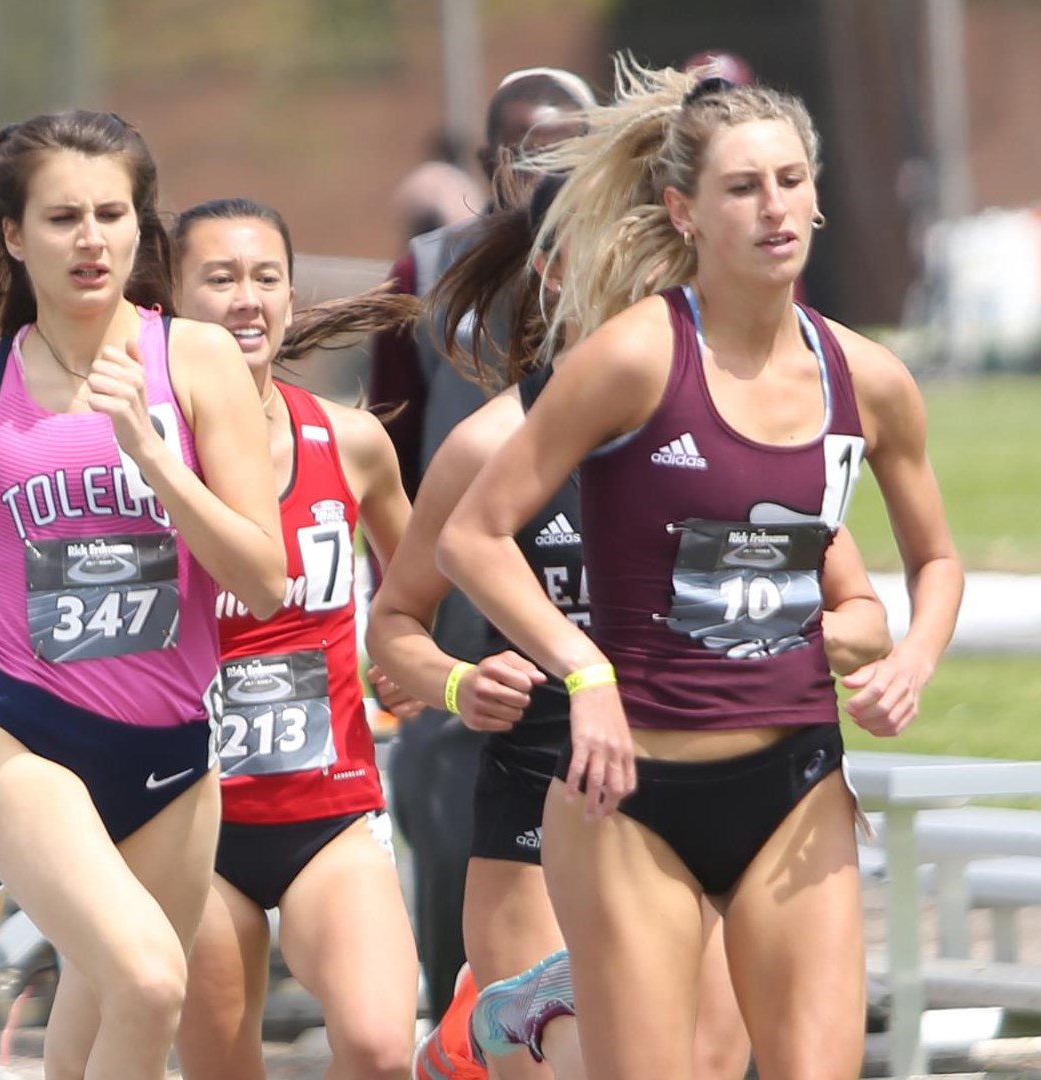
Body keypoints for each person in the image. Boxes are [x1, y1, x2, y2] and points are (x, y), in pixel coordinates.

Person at [435, 60, 963, 1080]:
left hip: (795, 782)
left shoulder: (870, 379)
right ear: (684, 211)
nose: (775, 207)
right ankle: (536, 1014)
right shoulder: (634, 359)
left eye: (792, 180)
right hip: (630, 793)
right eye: (742, 187)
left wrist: (914, 658)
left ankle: (548, 1006)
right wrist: (583, 673)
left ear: (817, 196)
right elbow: (473, 536)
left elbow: (935, 557)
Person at [371, 173, 893, 1080]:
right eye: (618, 240)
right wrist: (457, 683)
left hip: (706, 776)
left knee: (710, 1062)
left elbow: (859, 610)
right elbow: (394, 626)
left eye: (658, 238)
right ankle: (491, 1026)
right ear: (553, 268)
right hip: (547, 792)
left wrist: (818, 640)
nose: (648, 262)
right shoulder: (490, 444)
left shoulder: (730, 426)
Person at [0, 110, 286, 1080]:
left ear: (142, 227)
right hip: (27, 739)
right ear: (16, 237)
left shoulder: (196, 360)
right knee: (149, 981)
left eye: (112, 214)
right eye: (63, 218)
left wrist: (156, 457)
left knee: (96, 1033)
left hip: (174, 759)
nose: (91, 239)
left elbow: (264, 582)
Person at [168, 197, 421, 1079]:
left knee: (381, 1049)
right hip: (186, 820)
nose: (247, 298)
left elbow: (414, 582)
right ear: (169, 300)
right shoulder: (133, 454)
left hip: (329, 811)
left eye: (266, 277)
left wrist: (408, 657)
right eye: (220, 278)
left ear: (289, 294)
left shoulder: (351, 442)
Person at [374, 65, 597, 1020]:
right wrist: (441, 665)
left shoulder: (711, 391)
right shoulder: (433, 281)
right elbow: (390, 449)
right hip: (486, 641)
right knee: (451, 803)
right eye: (524, 148)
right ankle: (453, 1015)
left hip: (679, 767)